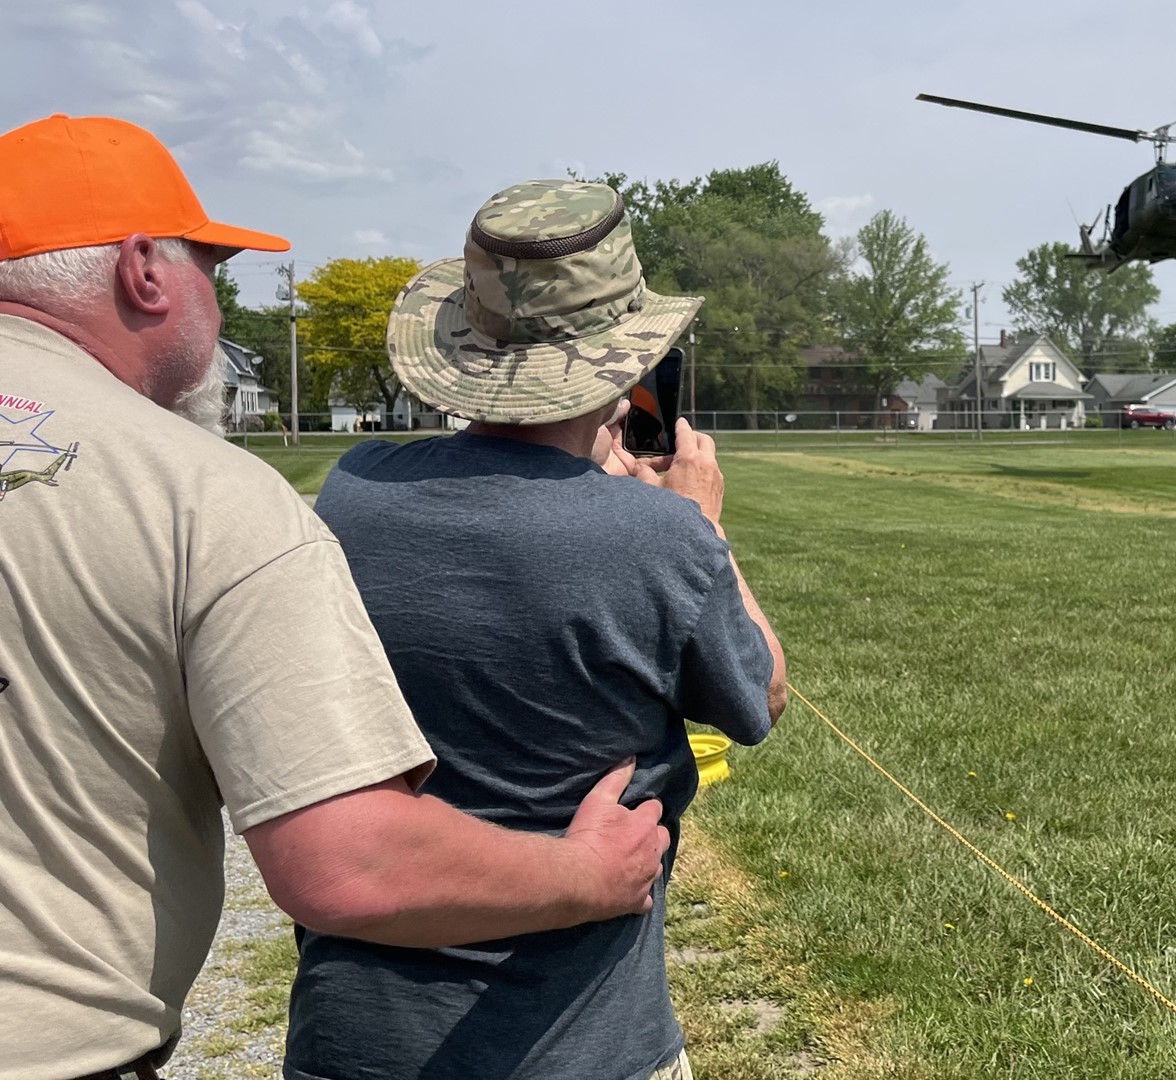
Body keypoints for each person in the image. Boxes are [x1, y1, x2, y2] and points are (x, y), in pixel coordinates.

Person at [0, 117, 674, 1080]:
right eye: (211, 269)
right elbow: (348, 866)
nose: (218, 306)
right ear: (143, 270)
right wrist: (589, 873)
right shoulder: (196, 492)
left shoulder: (342, 484)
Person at [284, 179, 788, 1080]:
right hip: (576, 1044)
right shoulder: (662, 536)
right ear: (626, 368)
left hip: (354, 1035)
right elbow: (762, 696)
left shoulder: (355, 489)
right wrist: (700, 524)